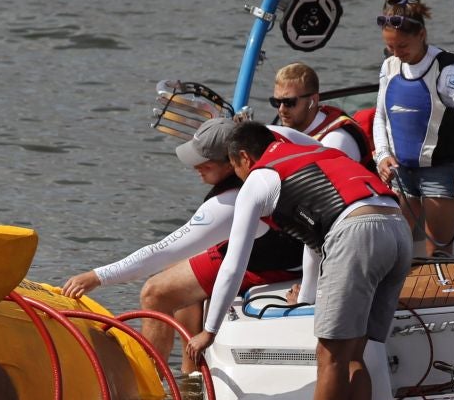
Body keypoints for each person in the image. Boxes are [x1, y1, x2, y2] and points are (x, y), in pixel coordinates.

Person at [185, 122, 413, 400]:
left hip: (358, 233)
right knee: (354, 354)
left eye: (235, 167)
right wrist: (306, 293)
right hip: (397, 228)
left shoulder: (260, 178)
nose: (238, 177)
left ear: (245, 158)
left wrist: (209, 330)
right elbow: (316, 240)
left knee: (330, 355)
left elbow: (233, 264)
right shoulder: (320, 152)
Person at [61, 117, 316, 372]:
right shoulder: (272, 137)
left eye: (204, 162)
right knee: (180, 270)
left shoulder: (226, 205)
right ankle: (190, 373)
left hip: (272, 263)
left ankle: (151, 381)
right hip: (292, 244)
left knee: (155, 292)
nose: (196, 167)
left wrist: (96, 276)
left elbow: (159, 253)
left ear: (234, 161)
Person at [370, 0, 454, 254]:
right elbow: (381, 115)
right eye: (389, 46)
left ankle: (443, 295)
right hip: (399, 170)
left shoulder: (447, 71)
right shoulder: (389, 66)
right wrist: (382, 155)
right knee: (390, 249)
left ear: (421, 34)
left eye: (402, 46)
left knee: (439, 253)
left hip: (439, 172)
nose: (396, 53)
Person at [270, 62, 376, 171]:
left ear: (313, 101)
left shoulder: (335, 141)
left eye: (289, 102)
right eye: (276, 102)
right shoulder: (290, 127)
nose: (281, 109)